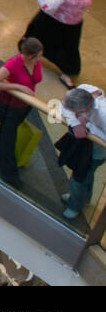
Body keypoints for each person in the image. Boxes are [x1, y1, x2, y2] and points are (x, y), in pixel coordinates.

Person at [25, 0, 93, 87]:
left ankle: (67, 72)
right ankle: (30, 55)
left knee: (70, 48)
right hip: (53, 18)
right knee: (39, 38)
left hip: (73, 22)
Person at [0, 36, 44, 187]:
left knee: (5, 130)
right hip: (8, 105)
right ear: (31, 55)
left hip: (23, 106)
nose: (40, 59)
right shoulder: (14, 63)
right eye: (38, 56)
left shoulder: (36, 63)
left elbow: (35, 79)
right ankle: (9, 173)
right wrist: (17, 87)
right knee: (9, 138)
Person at [60, 84, 106, 219]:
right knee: (87, 175)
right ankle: (84, 200)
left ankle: (74, 205)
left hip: (97, 151)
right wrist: (75, 123)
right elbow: (63, 107)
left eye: (76, 112)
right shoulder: (83, 89)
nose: (73, 113)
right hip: (83, 146)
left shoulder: (103, 115)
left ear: (86, 109)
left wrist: (87, 125)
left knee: (78, 177)